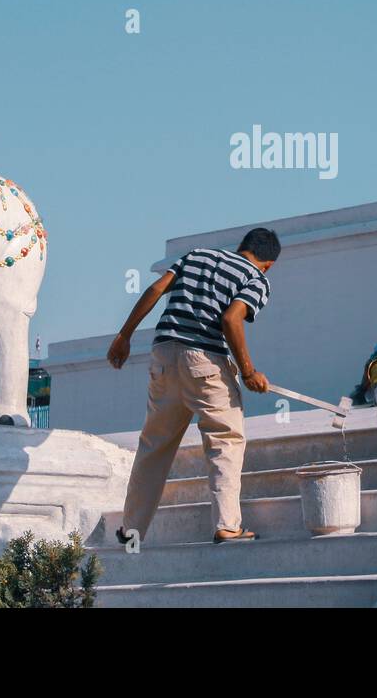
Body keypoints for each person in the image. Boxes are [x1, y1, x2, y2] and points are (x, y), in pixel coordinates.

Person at [107, 228, 280, 544]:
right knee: (225, 438)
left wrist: (124, 335)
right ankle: (227, 525)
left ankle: (131, 529)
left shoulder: (197, 255)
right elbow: (231, 319)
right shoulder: (257, 279)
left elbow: (156, 288)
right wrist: (249, 371)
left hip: (163, 354)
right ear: (267, 263)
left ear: (241, 247)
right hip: (205, 361)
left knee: (154, 445)